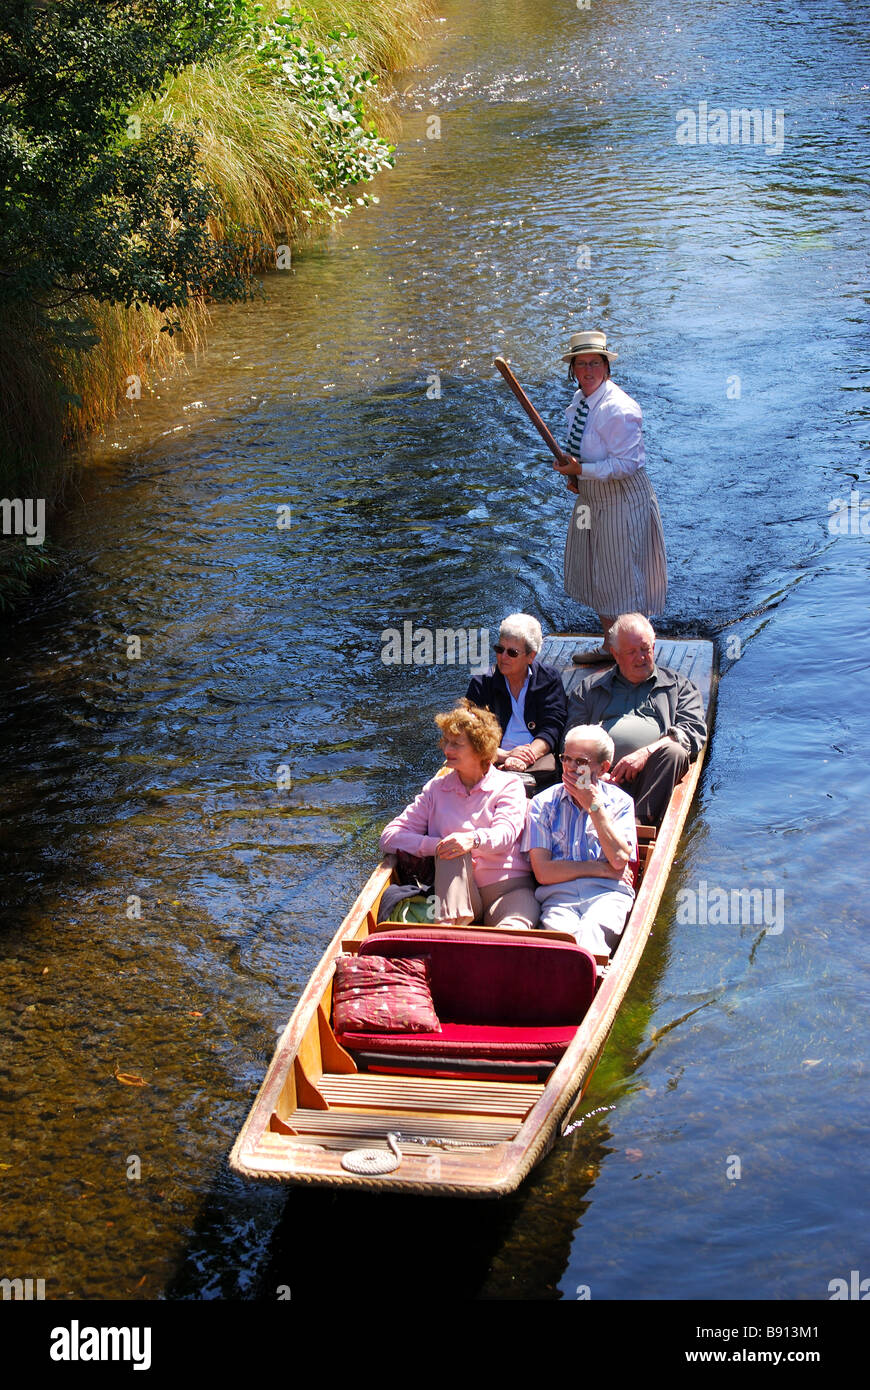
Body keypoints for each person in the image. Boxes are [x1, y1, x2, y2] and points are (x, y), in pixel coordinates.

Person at [552, 329, 668, 664]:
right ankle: (610, 646)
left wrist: (581, 471)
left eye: (594, 363)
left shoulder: (619, 408)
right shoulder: (581, 402)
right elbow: (582, 453)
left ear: (606, 367)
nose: (587, 370)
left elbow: (626, 464)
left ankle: (636, 655)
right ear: (572, 369)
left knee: (622, 577)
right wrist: (575, 477)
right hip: (590, 496)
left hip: (622, 496)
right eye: (580, 364)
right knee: (594, 570)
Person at [379, 700, 539, 929]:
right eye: (446, 742)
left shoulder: (509, 785)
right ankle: (449, 933)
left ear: (480, 747)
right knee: (450, 852)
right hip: (455, 892)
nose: (447, 750)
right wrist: (438, 846)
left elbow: (505, 834)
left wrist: (472, 840)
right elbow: (389, 837)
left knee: (513, 934)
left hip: (507, 889)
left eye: (456, 744)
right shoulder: (436, 789)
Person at [564, 612, 706, 826]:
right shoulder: (589, 689)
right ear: (615, 654)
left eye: (645, 649)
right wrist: (596, 772)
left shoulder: (679, 687)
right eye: (631, 652)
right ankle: (582, 817)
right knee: (576, 756)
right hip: (598, 777)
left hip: (651, 778)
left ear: (654, 646)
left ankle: (638, 825)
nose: (641, 657)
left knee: (675, 751)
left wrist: (645, 754)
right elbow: (571, 735)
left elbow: (693, 731)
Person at [525, 725, 637, 960]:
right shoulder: (543, 803)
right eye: (567, 759)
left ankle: (590, 986)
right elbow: (543, 873)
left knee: (591, 931)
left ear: (603, 767)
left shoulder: (620, 803)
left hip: (608, 894)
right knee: (564, 942)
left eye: (581, 762)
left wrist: (593, 807)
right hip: (559, 896)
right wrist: (601, 869)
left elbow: (618, 859)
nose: (571, 768)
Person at [464, 613, 567, 789]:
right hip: (493, 758)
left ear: (531, 656)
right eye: (499, 649)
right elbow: (470, 732)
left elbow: (553, 726)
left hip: (536, 761)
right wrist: (505, 755)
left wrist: (527, 756)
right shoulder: (482, 681)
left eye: (512, 652)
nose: (503, 656)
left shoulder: (548, 679)